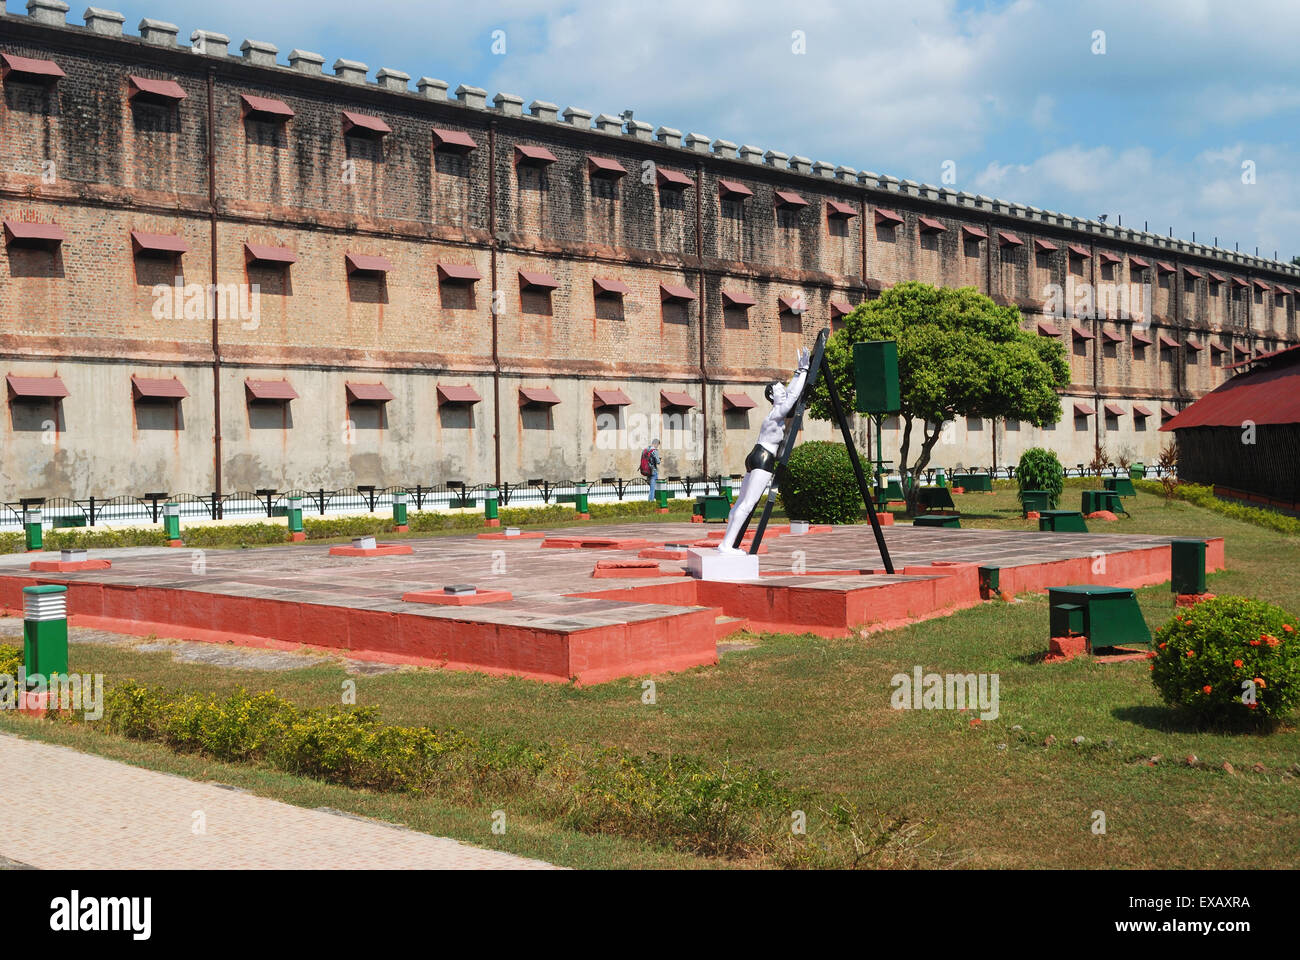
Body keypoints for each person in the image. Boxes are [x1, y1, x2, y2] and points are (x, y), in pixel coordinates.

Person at [718, 348, 810, 554]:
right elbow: (793, 395)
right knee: (748, 505)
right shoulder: (777, 412)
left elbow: (790, 391)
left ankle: (726, 542)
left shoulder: (772, 414)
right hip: (764, 458)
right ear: (772, 395)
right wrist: (803, 371)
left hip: (755, 455)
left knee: (741, 503)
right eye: (779, 389)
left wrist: (797, 373)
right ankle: (726, 545)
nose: (783, 390)